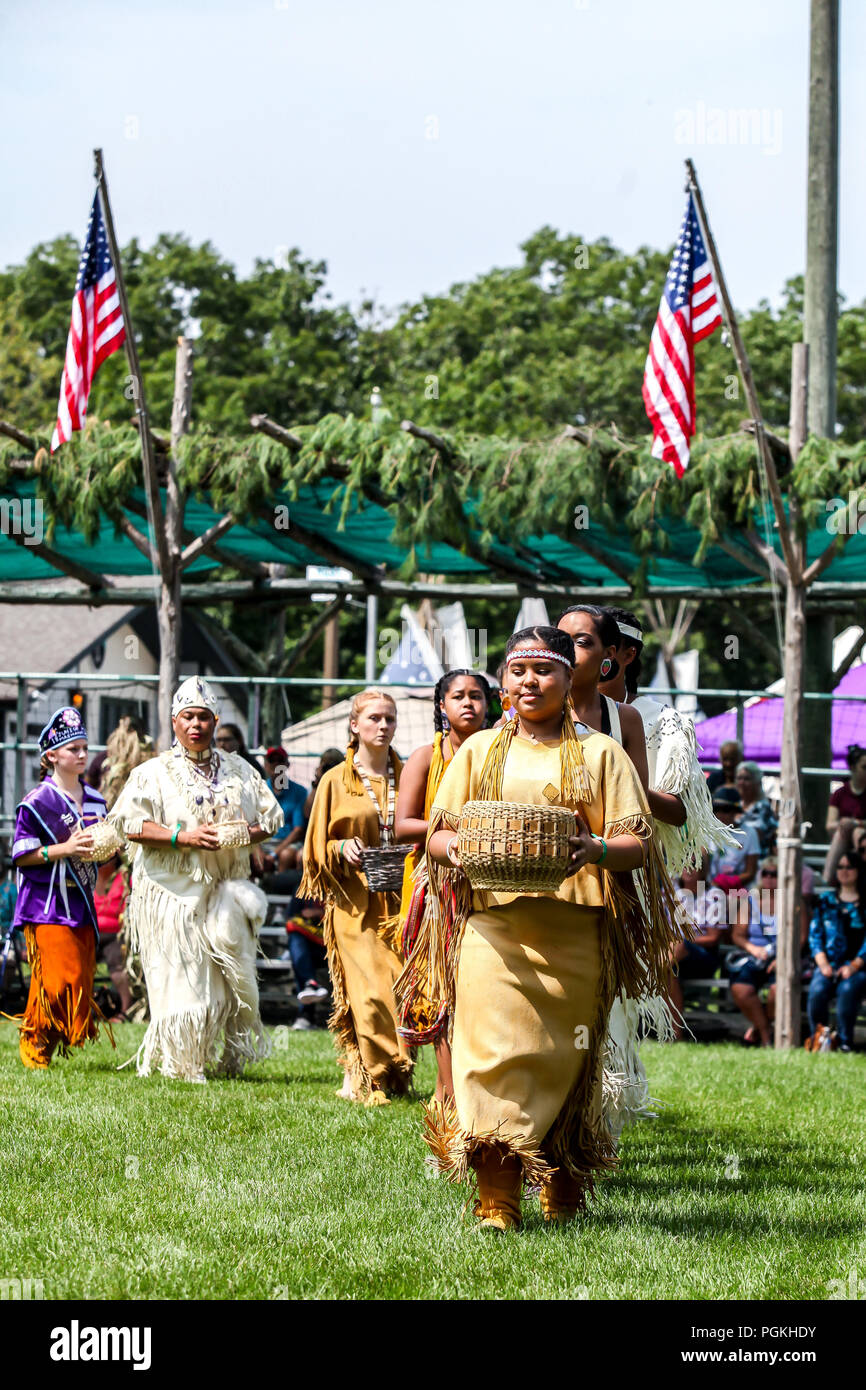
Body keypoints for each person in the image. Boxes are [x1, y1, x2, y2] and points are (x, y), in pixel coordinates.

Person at [406, 626, 684, 1230]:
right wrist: (464, 849)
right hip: (493, 927)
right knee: (489, 1054)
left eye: (545, 671)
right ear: (504, 681)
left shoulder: (602, 754)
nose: (529, 682)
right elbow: (436, 831)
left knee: (565, 1061)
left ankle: (560, 1186)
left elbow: (638, 842)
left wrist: (595, 851)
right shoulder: (477, 751)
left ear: (570, 679)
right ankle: (496, 1196)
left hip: (575, 929)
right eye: (517, 671)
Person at [108, 676, 284, 1082]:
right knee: (184, 979)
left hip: (224, 890)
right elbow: (129, 825)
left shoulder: (239, 769)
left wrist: (243, 833)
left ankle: (229, 1055)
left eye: (204, 717)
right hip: (172, 894)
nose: (196, 725)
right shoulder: (153, 772)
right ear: (174, 721)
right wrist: (181, 837)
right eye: (188, 716)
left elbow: (271, 818)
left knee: (232, 981)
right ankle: (184, 1062)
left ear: (215, 721)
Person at [300, 688, 413, 1106]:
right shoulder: (335, 781)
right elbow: (315, 846)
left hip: (402, 900)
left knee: (401, 987)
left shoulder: (409, 775)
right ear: (355, 725)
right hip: (354, 902)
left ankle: (395, 1072)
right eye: (374, 719)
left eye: (389, 719)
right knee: (366, 993)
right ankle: (371, 1076)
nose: (383, 726)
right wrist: (339, 847)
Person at [395, 669, 491, 1102]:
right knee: (442, 985)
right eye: (458, 696)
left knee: (481, 986)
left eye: (477, 696)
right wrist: (461, 830)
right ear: (442, 706)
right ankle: (446, 1088)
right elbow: (401, 826)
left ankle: (479, 1082)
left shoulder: (498, 753)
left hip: (492, 883)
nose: (468, 703)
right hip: (435, 885)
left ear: (490, 704)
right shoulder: (424, 757)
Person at [10, 706, 122, 1069]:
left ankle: (52, 1038)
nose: (82, 755)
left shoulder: (95, 800)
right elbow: (21, 854)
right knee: (55, 982)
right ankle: (34, 1044)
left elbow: (100, 851)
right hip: (44, 903)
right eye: (73, 748)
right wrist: (65, 848)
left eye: (84, 747)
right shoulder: (37, 802)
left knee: (78, 980)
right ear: (52, 756)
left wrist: (109, 848)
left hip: (82, 903)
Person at [726, 857, 807, 1046]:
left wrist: (783, 958)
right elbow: (737, 935)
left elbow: (801, 937)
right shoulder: (751, 901)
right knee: (741, 989)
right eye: (766, 873)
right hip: (755, 957)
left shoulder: (794, 902)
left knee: (776, 991)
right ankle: (764, 1033)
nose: (769, 878)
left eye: (775, 874)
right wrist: (752, 948)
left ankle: (762, 1030)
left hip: (783, 957)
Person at [807, 854, 866, 1053]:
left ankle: (845, 1042)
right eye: (840, 867)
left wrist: (854, 965)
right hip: (827, 963)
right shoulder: (825, 900)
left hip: (857, 966)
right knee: (817, 991)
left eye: (849, 867)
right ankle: (820, 1041)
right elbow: (815, 935)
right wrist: (823, 964)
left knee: (847, 990)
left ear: (858, 871)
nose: (844, 871)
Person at [669, 863, 728, 1039]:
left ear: (703, 869)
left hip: (703, 956)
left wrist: (684, 941)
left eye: (693, 864)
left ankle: (651, 972)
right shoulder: (671, 894)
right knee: (667, 972)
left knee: (676, 946)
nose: (688, 868)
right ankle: (675, 1033)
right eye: (684, 863)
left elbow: (713, 938)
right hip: (672, 956)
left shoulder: (714, 896)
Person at [93, 852, 134, 1021]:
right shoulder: (88, 875)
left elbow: (129, 905)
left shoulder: (124, 877)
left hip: (115, 933)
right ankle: (83, 1009)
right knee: (81, 967)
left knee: (118, 969)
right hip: (92, 932)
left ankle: (126, 1010)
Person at [285, 896, 329, 1031]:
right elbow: (291, 917)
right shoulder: (301, 890)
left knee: (301, 959)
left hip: (334, 946)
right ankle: (310, 984)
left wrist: (318, 913)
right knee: (298, 946)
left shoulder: (338, 886)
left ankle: (305, 1015)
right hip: (308, 948)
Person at [708, 790, 760, 889]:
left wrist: (729, 882)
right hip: (711, 890)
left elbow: (751, 872)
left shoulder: (749, 833)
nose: (720, 814)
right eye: (717, 809)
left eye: (726, 810)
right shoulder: (708, 832)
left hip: (741, 890)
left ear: (735, 811)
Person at [735, 761, 777, 856]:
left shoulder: (762, 807)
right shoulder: (735, 805)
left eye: (747, 779)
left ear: (757, 783)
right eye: (739, 778)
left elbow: (757, 836)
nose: (742, 782)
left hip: (757, 860)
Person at [825, 745, 866, 836]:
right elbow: (830, 825)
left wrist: (856, 824)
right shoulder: (839, 794)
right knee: (841, 835)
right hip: (844, 837)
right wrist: (844, 824)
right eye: (864, 767)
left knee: (858, 833)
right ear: (852, 767)